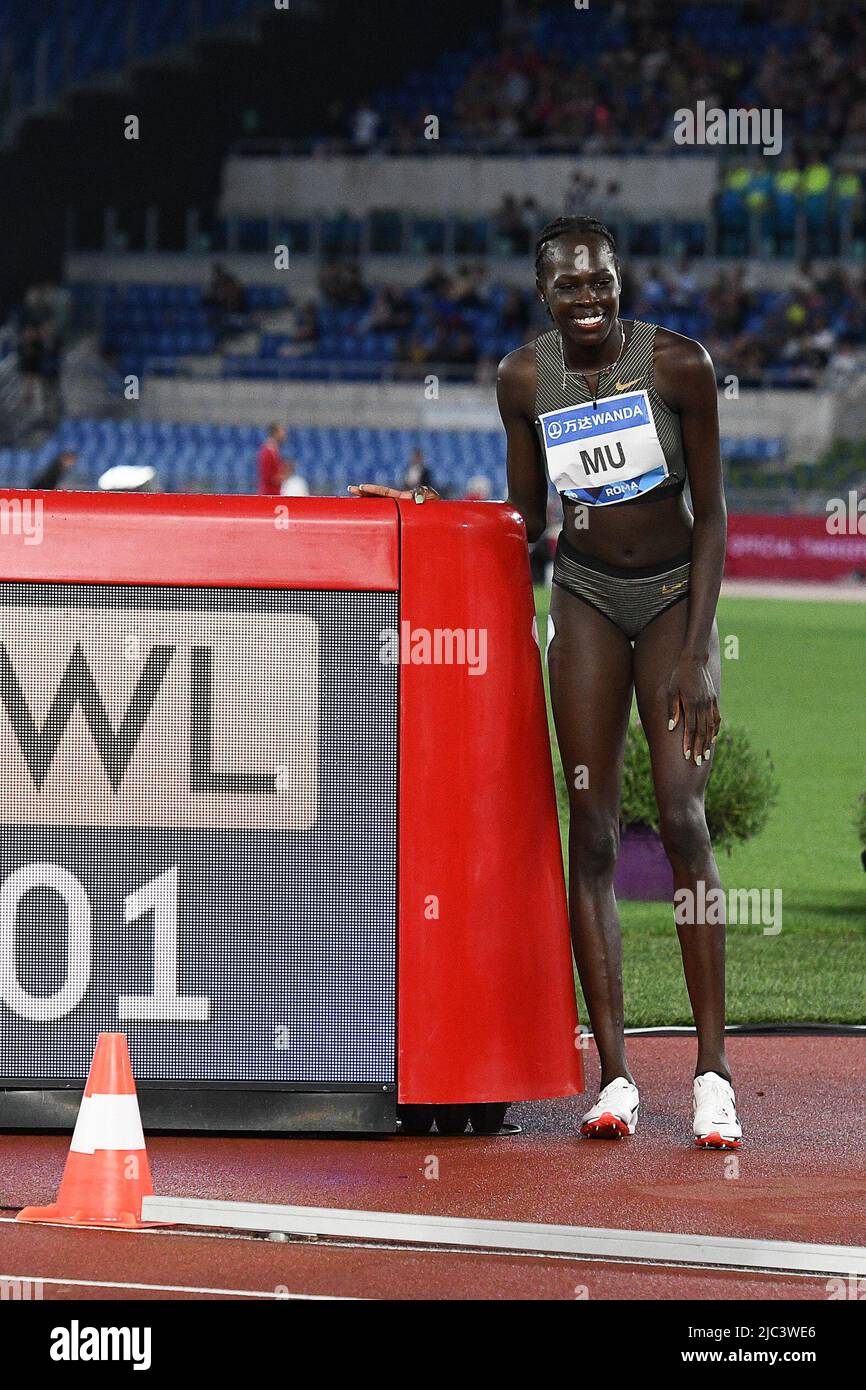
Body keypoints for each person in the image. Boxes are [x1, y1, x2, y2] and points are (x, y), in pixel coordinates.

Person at [350, 215, 739, 1152]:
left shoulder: (679, 366)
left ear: (619, 277)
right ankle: (613, 1077)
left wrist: (697, 652)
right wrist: (439, 513)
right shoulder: (523, 380)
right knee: (593, 829)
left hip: (675, 596)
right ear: (543, 294)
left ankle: (715, 1073)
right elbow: (527, 516)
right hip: (590, 597)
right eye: (571, 285)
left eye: (602, 280)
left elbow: (716, 512)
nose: (590, 297)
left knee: (684, 820)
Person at [257, 423, 288, 495]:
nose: (284, 434)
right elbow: (268, 477)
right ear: (275, 433)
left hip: (274, 494)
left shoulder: (274, 451)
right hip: (269, 495)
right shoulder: (267, 453)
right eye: (282, 431)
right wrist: (283, 476)